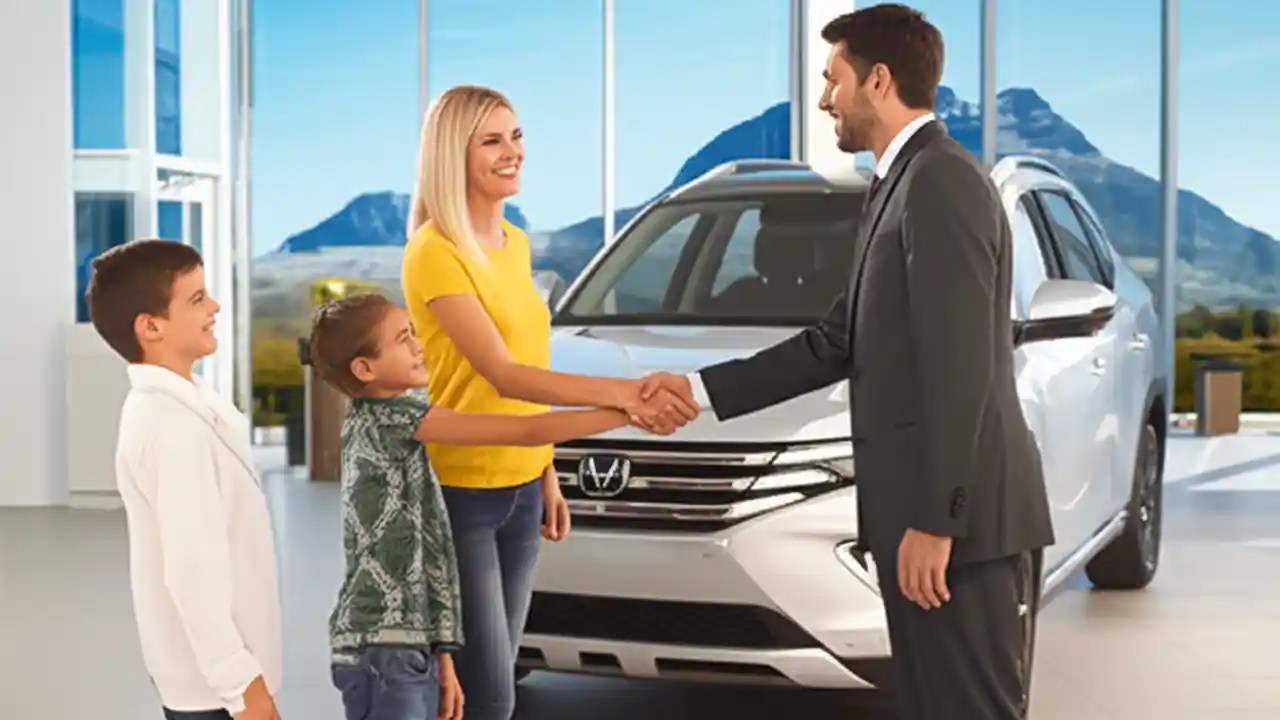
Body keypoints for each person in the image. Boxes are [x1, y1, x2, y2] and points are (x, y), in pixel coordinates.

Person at [640, 5, 1054, 719]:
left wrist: (937, 522)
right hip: (922, 524)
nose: (826, 97)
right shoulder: (898, 185)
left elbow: (961, 371)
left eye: (833, 79)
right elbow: (841, 340)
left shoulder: (941, 183)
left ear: (879, 80)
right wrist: (698, 389)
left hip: (959, 529)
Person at [400, 84, 696, 719]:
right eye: (492, 140)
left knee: (495, 679)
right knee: (491, 697)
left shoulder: (515, 243)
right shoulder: (435, 251)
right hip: (463, 493)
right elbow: (504, 376)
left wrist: (547, 472)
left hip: (522, 491)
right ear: (454, 154)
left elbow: (532, 369)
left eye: (517, 136)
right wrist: (626, 397)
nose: (513, 153)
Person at [307, 292, 633, 720]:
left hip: (409, 643)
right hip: (382, 649)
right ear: (365, 369)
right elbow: (526, 429)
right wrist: (630, 410)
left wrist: (444, 655)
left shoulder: (399, 415)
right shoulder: (388, 419)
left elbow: (426, 554)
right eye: (403, 338)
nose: (419, 345)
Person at [87, 239, 283, 720]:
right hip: (216, 689)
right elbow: (191, 574)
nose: (214, 307)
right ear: (150, 327)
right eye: (197, 299)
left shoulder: (192, 402)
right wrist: (245, 691)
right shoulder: (168, 425)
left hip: (222, 681)